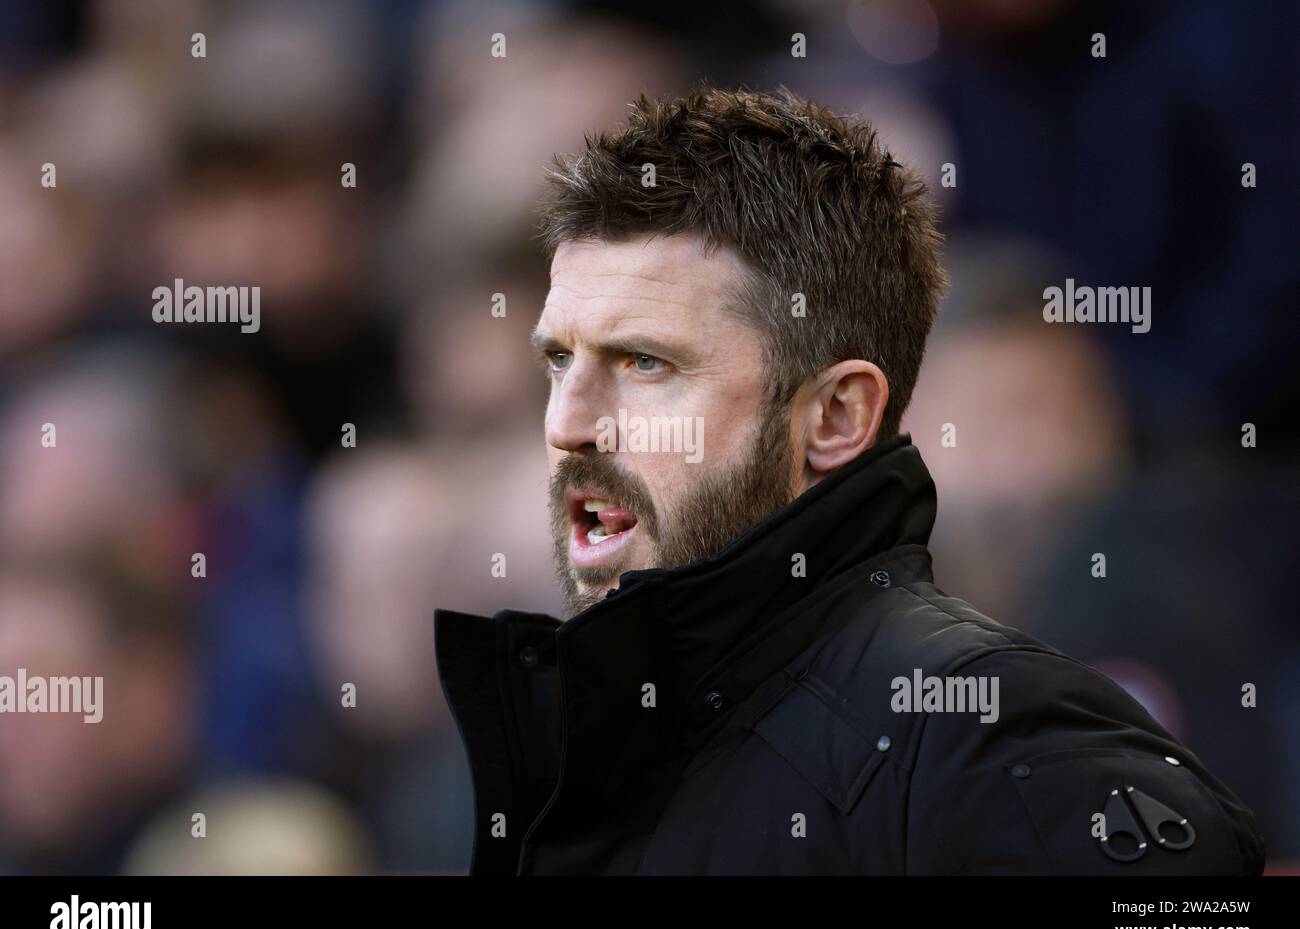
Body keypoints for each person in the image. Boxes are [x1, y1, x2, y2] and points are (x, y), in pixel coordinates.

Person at [433, 87, 1265, 875]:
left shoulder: (994, 738)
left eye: (645, 362)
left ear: (835, 416)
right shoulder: (596, 733)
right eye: (559, 360)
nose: (567, 423)